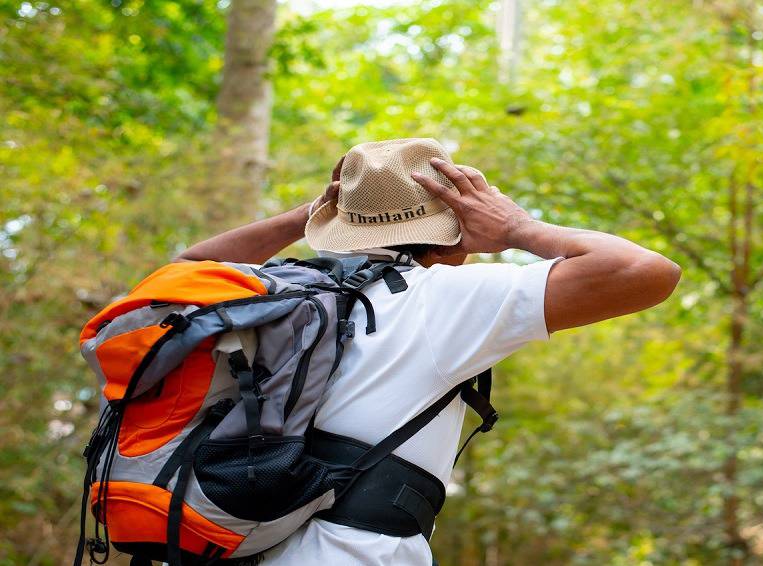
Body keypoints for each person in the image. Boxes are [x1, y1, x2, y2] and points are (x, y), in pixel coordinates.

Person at [173, 138, 681, 565]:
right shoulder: (438, 297)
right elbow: (646, 271)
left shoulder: (280, 288)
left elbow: (185, 267)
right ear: (456, 227)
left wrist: (314, 214)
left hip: (240, 544)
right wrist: (516, 228)